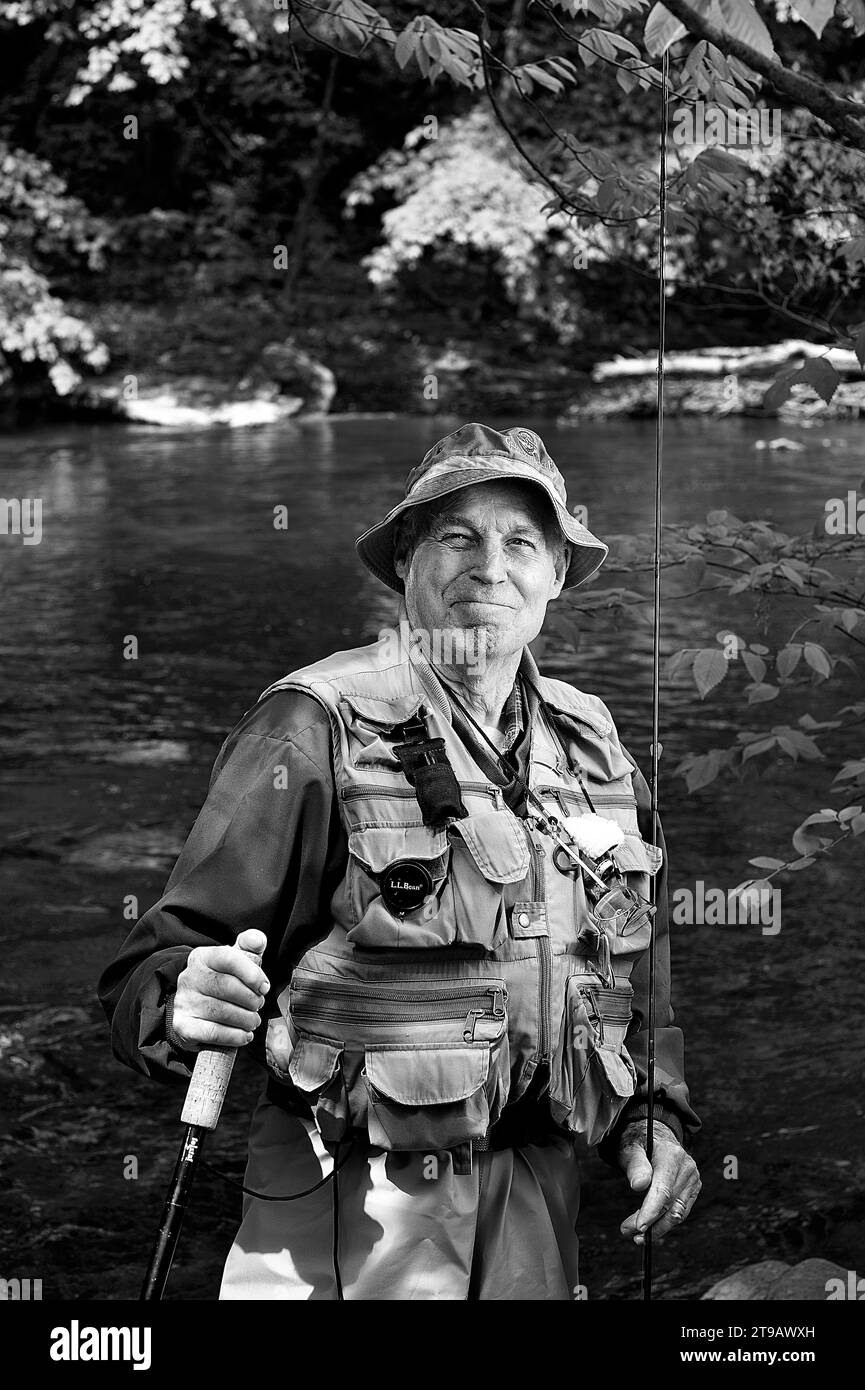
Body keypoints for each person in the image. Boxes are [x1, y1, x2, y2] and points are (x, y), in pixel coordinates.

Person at [99, 421, 701, 1301]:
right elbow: (148, 969)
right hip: (346, 1201)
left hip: (537, 1192)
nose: (490, 567)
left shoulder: (596, 749)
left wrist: (651, 1114)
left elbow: (633, 980)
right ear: (406, 561)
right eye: (458, 536)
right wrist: (181, 1000)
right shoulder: (310, 725)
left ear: (557, 574)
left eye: (522, 542)